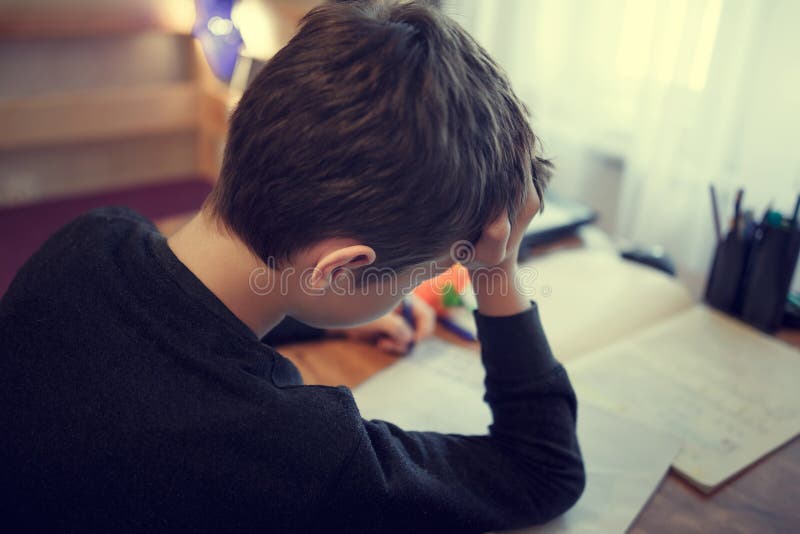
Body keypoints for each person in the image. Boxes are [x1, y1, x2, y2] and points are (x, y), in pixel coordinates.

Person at [0, 1, 584, 532]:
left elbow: (171, 331)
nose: (419, 286)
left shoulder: (89, 240)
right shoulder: (294, 447)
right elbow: (540, 470)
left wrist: (323, 316)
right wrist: (497, 272)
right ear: (336, 269)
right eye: (425, 274)